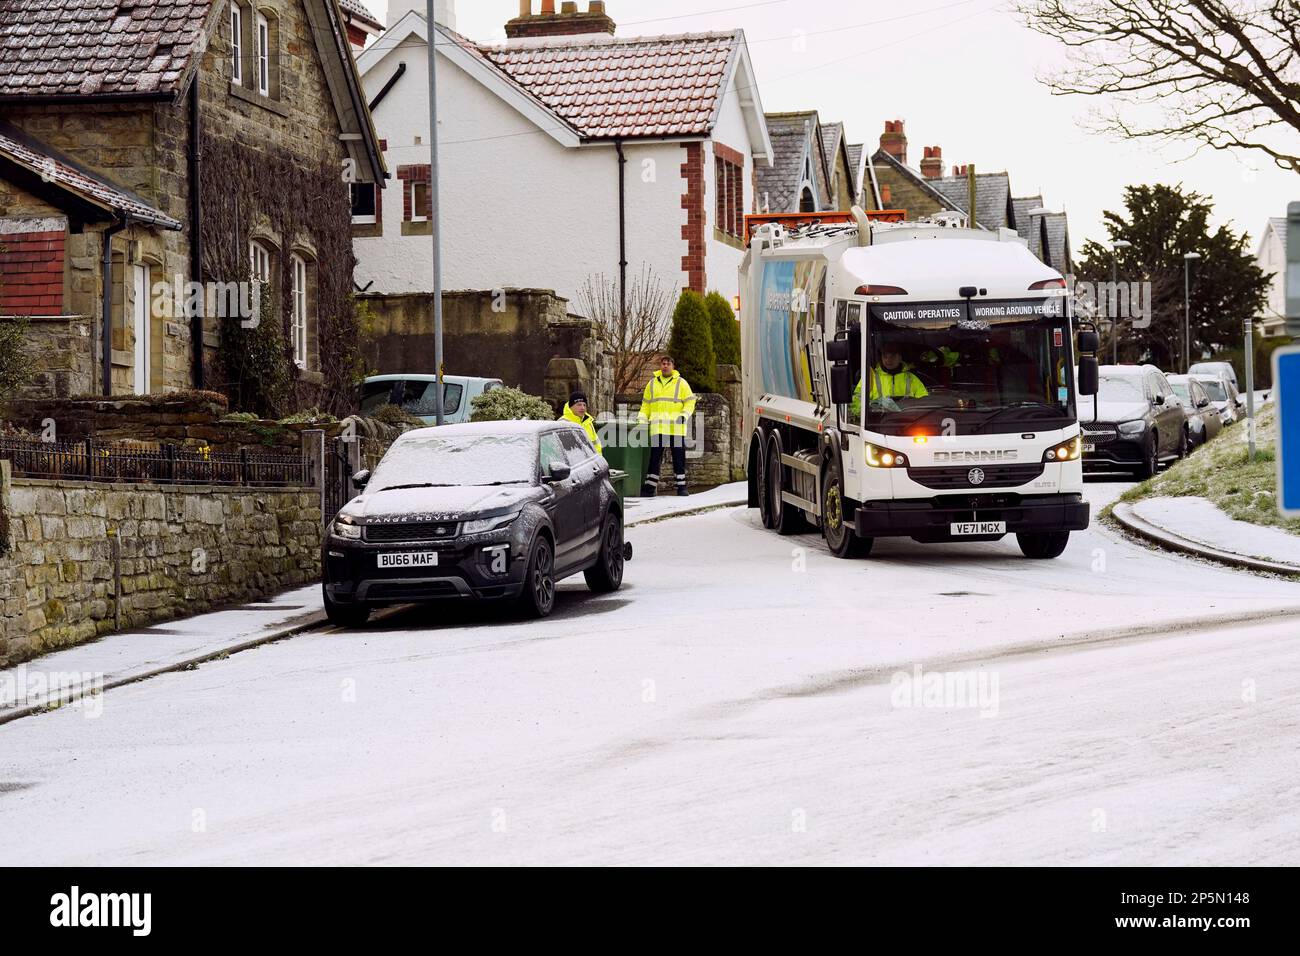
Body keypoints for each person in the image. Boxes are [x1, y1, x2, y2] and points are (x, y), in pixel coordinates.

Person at [637, 355, 696, 496]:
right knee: (654, 458)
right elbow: (646, 405)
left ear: (673, 366)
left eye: (668, 364)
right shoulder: (652, 384)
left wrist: (684, 415)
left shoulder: (681, 383)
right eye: (663, 363)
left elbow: (690, 402)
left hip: (676, 428)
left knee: (678, 458)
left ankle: (681, 487)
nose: (665, 366)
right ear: (660, 366)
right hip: (658, 428)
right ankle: (650, 488)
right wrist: (642, 420)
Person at [850, 344, 929, 417]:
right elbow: (856, 403)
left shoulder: (911, 378)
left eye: (893, 356)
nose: (888, 360)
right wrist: (873, 406)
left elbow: (925, 402)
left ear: (900, 357)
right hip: (875, 424)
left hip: (907, 422)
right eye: (885, 356)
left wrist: (909, 404)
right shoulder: (871, 377)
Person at [559, 390, 602, 455]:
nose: (582, 408)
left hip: (593, 462)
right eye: (579, 405)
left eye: (584, 405)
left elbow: (596, 445)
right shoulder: (563, 423)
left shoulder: (588, 421)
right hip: (576, 464)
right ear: (570, 407)